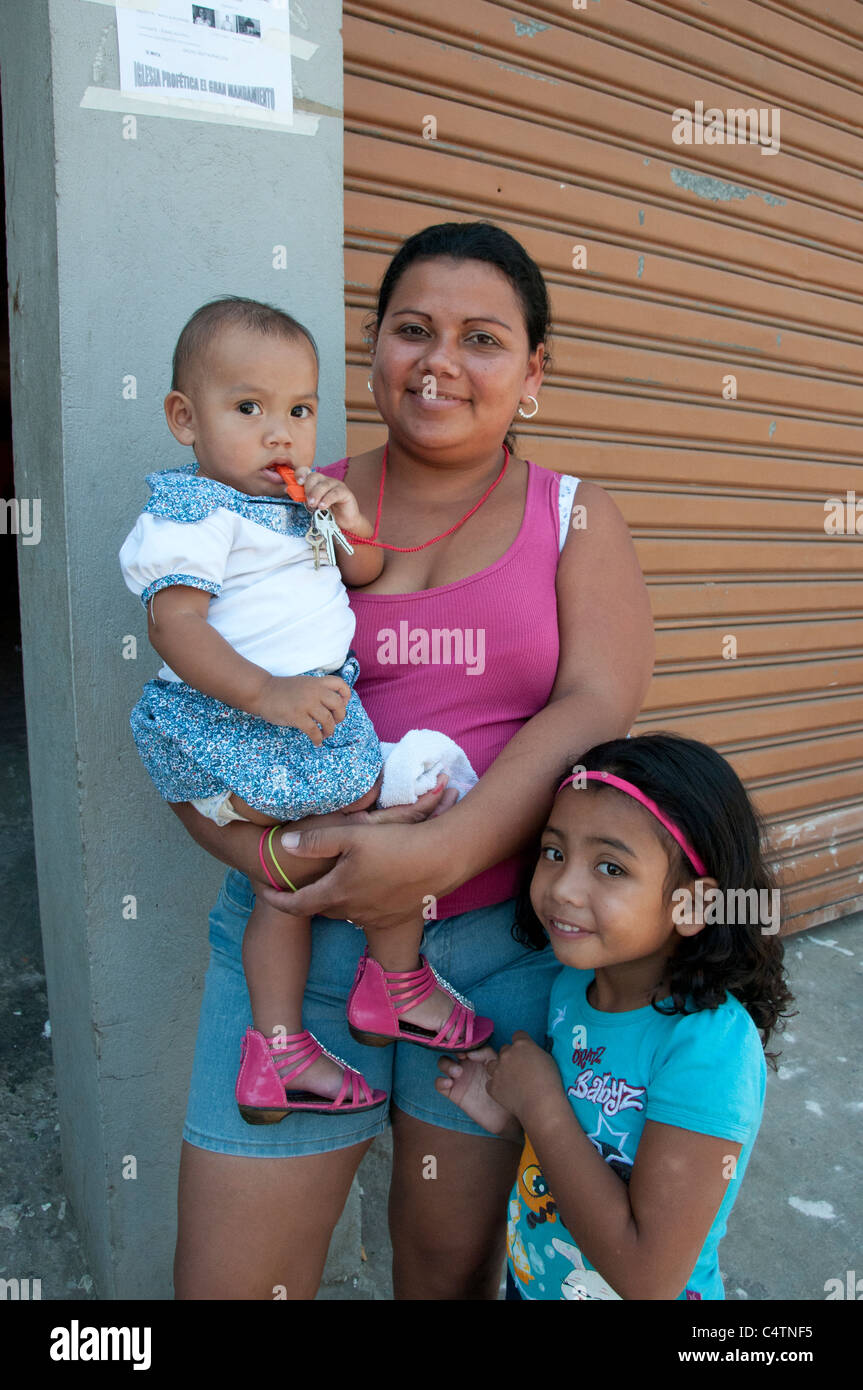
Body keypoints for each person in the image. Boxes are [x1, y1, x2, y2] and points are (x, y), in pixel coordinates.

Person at [168, 221, 655, 1299]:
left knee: (444, 1271)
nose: (438, 360)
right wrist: (257, 852)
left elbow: (591, 709)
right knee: (233, 1283)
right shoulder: (280, 504)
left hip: (494, 963)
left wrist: (432, 855)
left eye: (481, 337)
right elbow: (187, 711)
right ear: (372, 349)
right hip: (292, 952)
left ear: (532, 374)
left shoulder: (574, 519)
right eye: (410, 330)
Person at [120, 297, 491, 1123]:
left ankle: (291, 1041)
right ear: (185, 418)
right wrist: (268, 694)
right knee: (365, 831)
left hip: (308, 717)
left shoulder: (293, 505)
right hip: (243, 721)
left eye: (300, 410)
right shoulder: (193, 512)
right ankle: (372, 996)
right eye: (248, 409)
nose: (279, 432)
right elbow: (173, 625)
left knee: (306, 872)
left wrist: (348, 524)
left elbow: (353, 576)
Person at [437, 731, 794, 1300]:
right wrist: (517, 1118)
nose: (563, 888)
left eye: (610, 868)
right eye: (554, 853)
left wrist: (543, 1107)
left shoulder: (708, 1047)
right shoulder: (572, 988)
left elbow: (648, 1277)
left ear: (695, 904)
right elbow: (588, 1154)